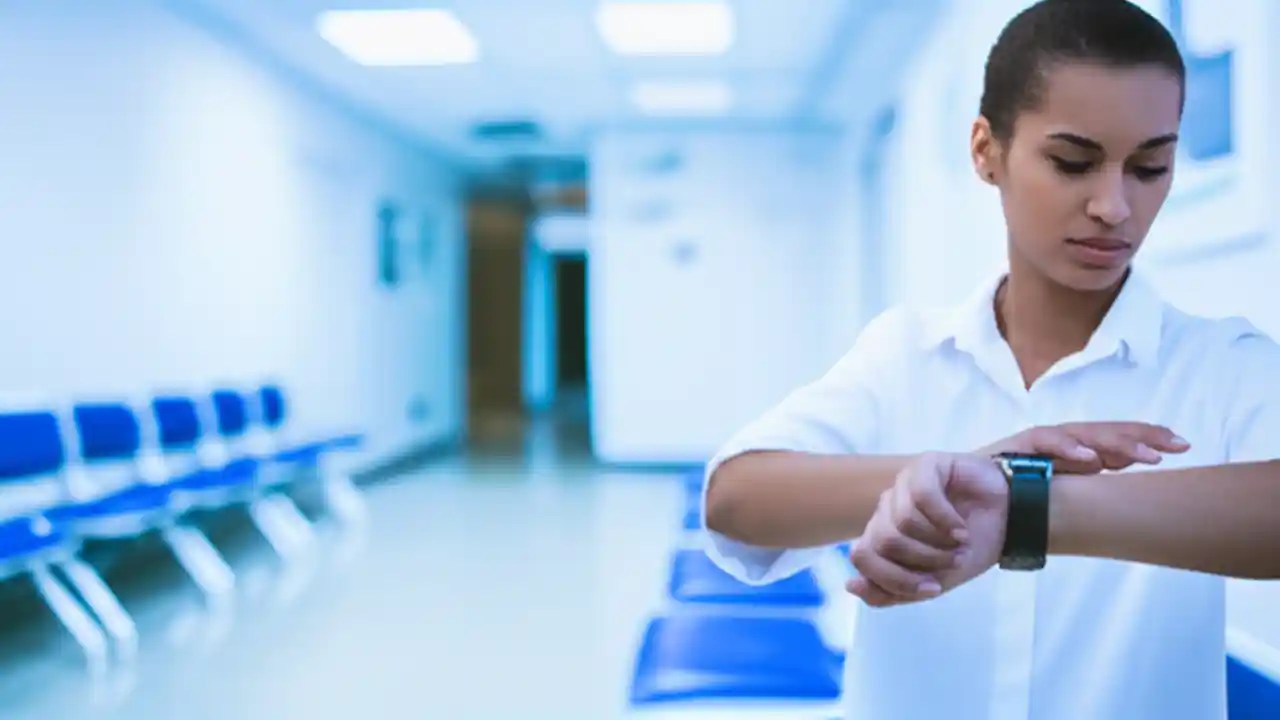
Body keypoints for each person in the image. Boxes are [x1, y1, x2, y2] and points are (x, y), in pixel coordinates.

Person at [701, 1, 1280, 719]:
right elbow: (735, 499)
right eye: (1074, 162)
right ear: (986, 150)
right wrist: (946, 481)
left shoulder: (1223, 364)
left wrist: (1025, 507)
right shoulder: (904, 353)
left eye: (1150, 167)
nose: (1115, 205)